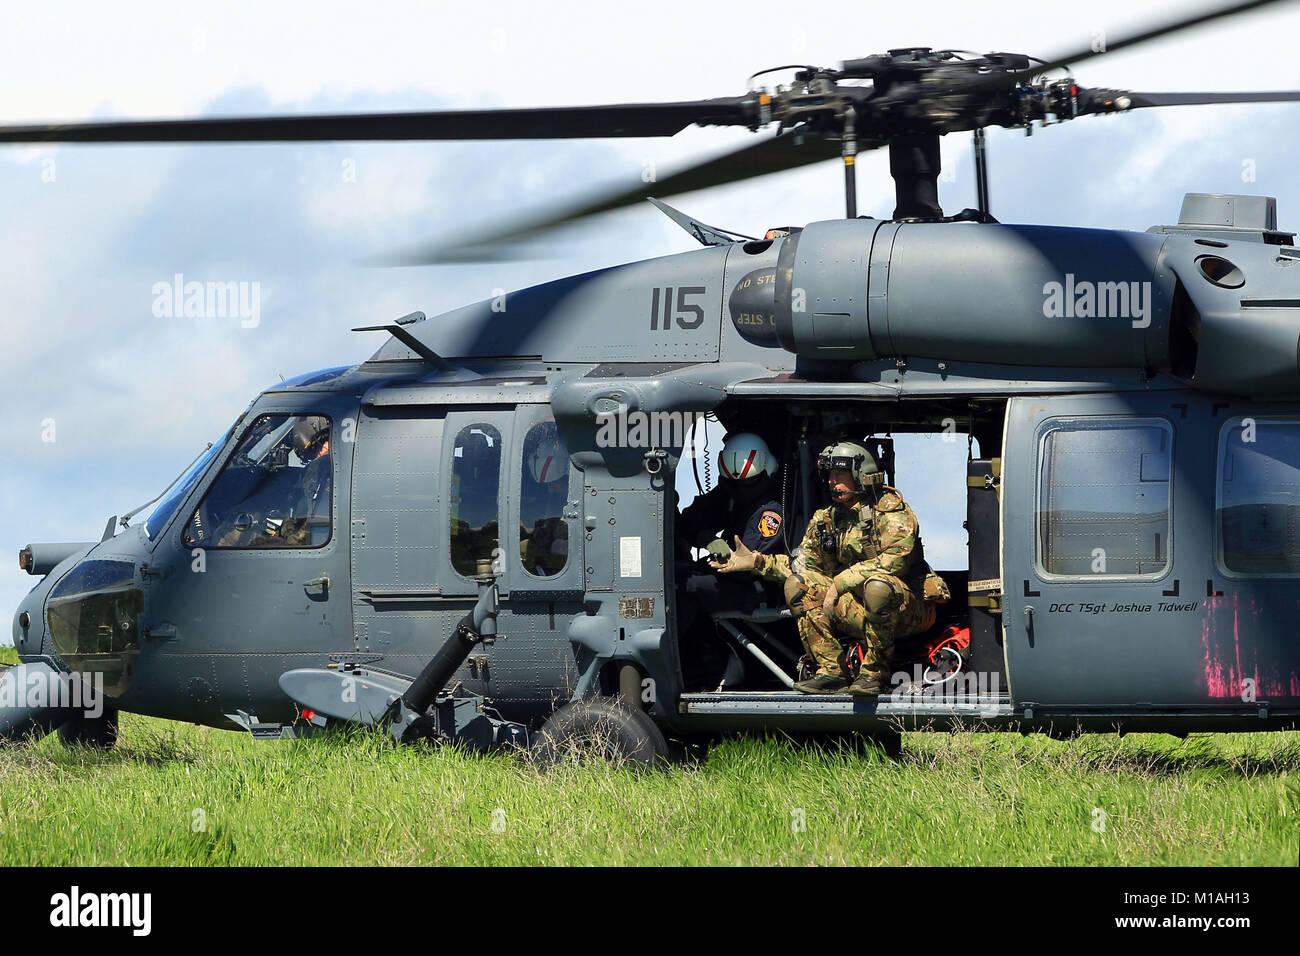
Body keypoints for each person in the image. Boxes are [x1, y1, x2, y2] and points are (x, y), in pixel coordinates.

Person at [712, 439, 945, 697]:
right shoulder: (826, 518)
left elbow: (895, 562)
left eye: (840, 474)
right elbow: (804, 565)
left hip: (908, 610)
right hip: (857, 608)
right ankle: (832, 671)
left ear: (861, 474)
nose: (833, 481)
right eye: (830, 475)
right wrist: (756, 561)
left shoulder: (892, 512)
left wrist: (842, 580)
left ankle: (874, 673)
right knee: (799, 583)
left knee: (878, 586)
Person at [678, 431, 786, 561]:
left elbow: (749, 560)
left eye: (748, 481)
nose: (742, 487)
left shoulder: (772, 511)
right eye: (736, 482)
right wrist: (706, 538)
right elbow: (692, 517)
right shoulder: (731, 490)